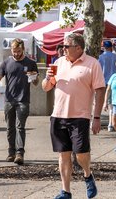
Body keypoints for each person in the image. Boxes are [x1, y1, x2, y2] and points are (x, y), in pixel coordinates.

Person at [42, 33, 107, 199]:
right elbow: (46, 87)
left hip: (80, 116)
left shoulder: (92, 64)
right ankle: (66, 191)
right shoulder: (58, 63)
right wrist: (48, 78)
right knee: (63, 155)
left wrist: (97, 117)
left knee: (81, 154)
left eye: (66, 46)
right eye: (62, 46)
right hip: (58, 115)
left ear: (78, 48)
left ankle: (87, 175)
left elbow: (100, 90)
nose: (63, 49)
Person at [0, 38, 38, 165]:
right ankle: (11, 152)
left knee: (20, 127)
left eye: (18, 51)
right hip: (9, 100)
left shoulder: (30, 63)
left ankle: (19, 153)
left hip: (23, 99)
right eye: (14, 51)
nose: (16, 53)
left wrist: (33, 77)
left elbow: (35, 83)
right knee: (9, 128)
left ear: (23, 49)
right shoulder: (6, 62)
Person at [98, 41, 116, 131]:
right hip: (113, 81)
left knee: (98, 102)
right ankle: (110, 124)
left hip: (102, 82)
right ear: (111, 47)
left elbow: (99, 70)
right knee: (111, 104)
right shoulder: (115, 57)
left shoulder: (101, 57)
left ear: (104, 47)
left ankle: (95, 122)